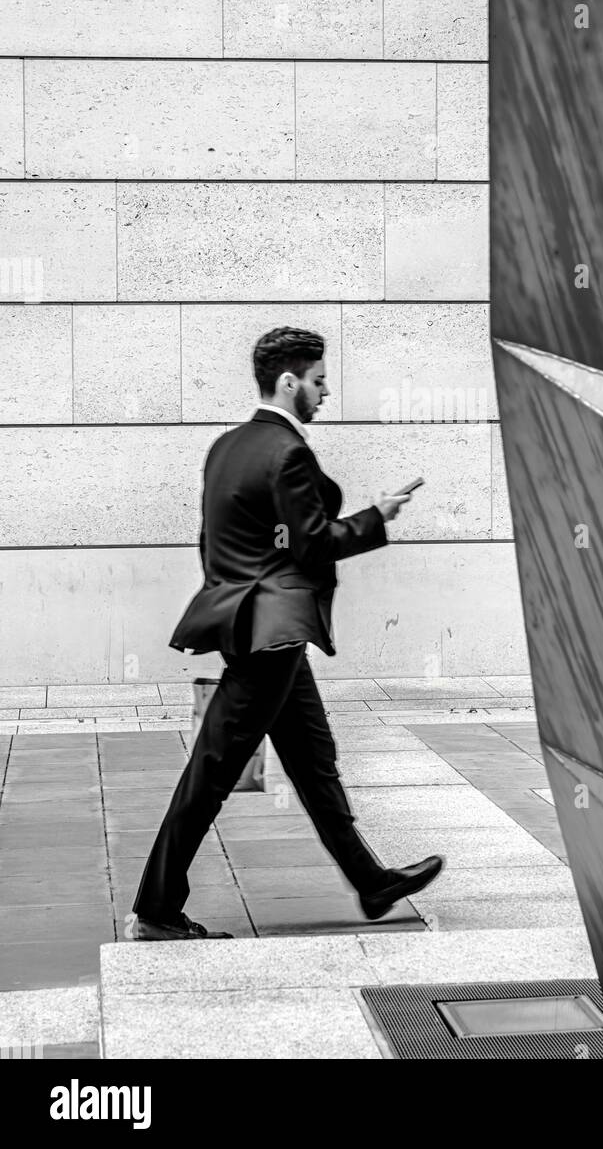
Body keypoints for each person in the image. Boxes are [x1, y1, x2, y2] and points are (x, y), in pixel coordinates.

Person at [133, 326, 443, 939]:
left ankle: (372, 883)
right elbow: (313, 542)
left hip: (257, 629)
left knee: (313, 760)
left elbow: (215, 544)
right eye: (320, 381)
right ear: (289, 381)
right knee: (211, 773)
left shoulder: (226, 447)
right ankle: (156, 911)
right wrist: (375, 517)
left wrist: (236, 604)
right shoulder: (288, 452)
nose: (326, 392)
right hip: (272, 634)